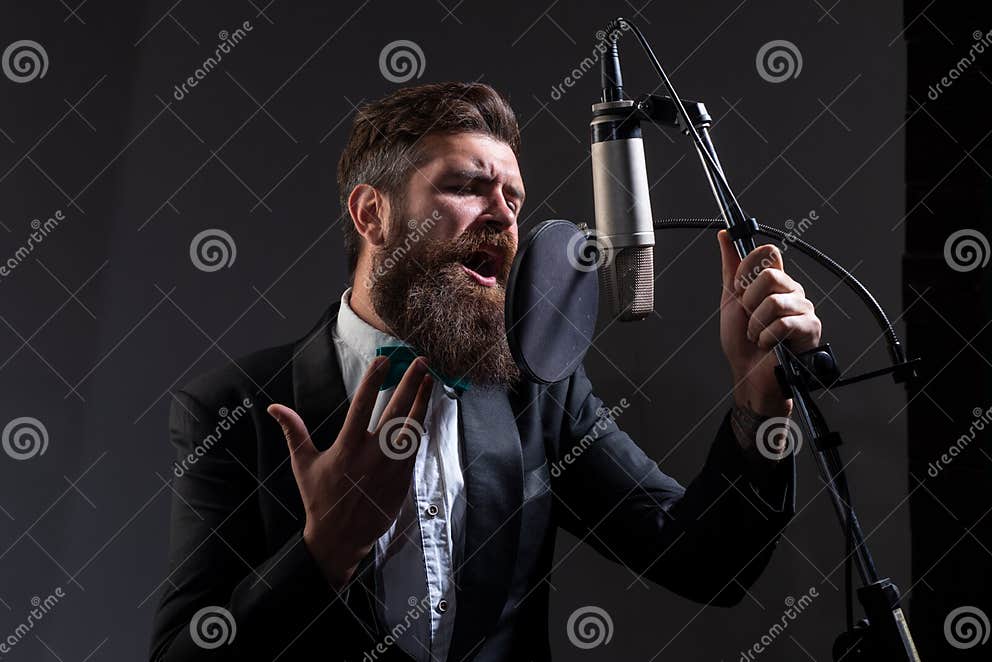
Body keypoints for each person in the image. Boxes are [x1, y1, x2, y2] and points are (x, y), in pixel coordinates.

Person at [149, 81, 821, 662]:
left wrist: (758, 399)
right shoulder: (231, 409)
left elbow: (705, 560)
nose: (503, 217)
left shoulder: (540, 393)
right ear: (372, 213)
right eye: (467, 187)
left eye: (513, 198)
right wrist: (322, 553)